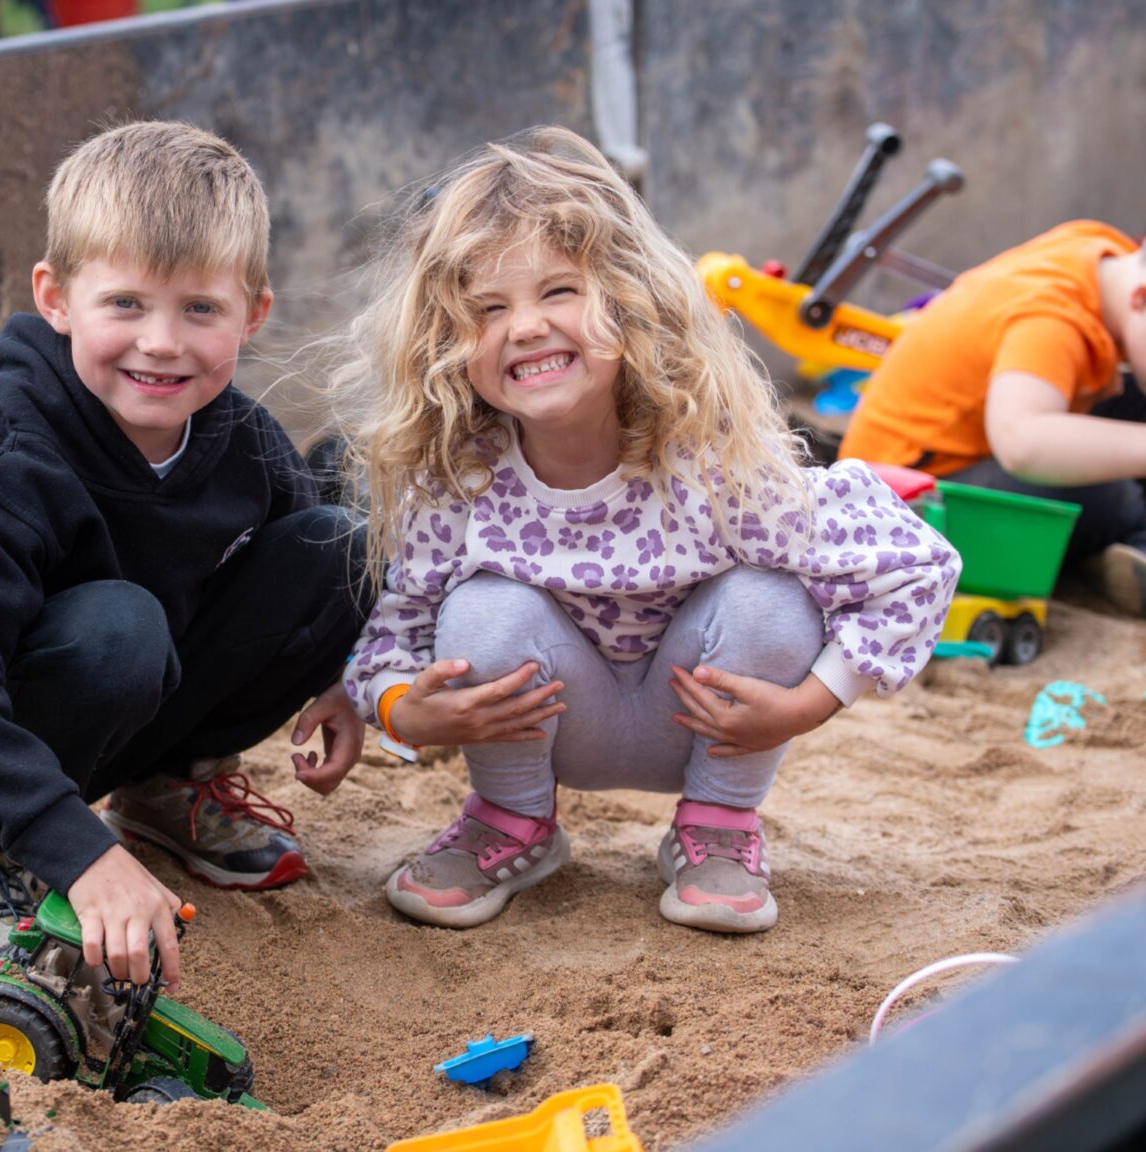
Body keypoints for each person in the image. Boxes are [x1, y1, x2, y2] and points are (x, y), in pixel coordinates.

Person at [332, 126, 959, 934]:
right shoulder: (458, 478)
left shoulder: (715, 463)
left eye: (559, 290)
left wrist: (807, 705)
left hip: (705, 723)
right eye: (486, 309)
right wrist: (402, 712)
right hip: (547, 725)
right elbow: (393, 635)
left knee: (767, 598)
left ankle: (718, 826)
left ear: (628, 303)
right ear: (445, 345)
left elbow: (916, 566)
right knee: (482, 610)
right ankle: (510, 822)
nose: (524, 327)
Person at [0, 121, 370, 989]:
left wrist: (344, 674)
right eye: (125, 304)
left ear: (253, 313)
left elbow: (300, 565)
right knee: (120, 626)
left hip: (139, 702)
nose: (160, 341)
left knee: (336, 542)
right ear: (56, 298)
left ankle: (166, 788)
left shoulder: (240, 436)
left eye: (200, 309)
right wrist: (76, 850)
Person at [839, 217, 1146, 618]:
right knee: (1115, 498)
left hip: (977, 440)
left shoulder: (1102, 253)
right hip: (905, 498)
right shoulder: (1050, 318)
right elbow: (1022, 441)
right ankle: (1142, 537)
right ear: (1144, 297)